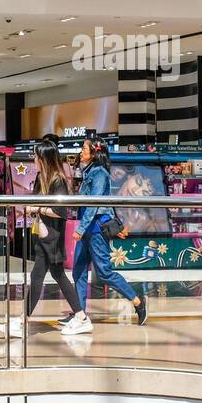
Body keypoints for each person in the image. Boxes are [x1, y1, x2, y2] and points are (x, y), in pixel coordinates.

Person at [0, 137, 90, 338]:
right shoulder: (42, 178)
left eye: (36, 156)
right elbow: (36, 201)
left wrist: (36, 208)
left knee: (38, 276)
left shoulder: (58, 181)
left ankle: (23, 320)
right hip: (42, 234)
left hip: (52, 238)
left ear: (44, 158)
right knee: (57, 275)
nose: (33, 159)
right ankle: (81, 317)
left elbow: (60, 211)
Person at [68, 137, 147, 325]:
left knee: (104, 272)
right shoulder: (88, 172)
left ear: (95, 153)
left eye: (84, 149)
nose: (81, 151)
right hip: (88, 228)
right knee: (78, 271)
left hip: (95, 229)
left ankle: (138, 302)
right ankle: (80, 314)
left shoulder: (100, 173)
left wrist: (80, 228)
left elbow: (93, 205)